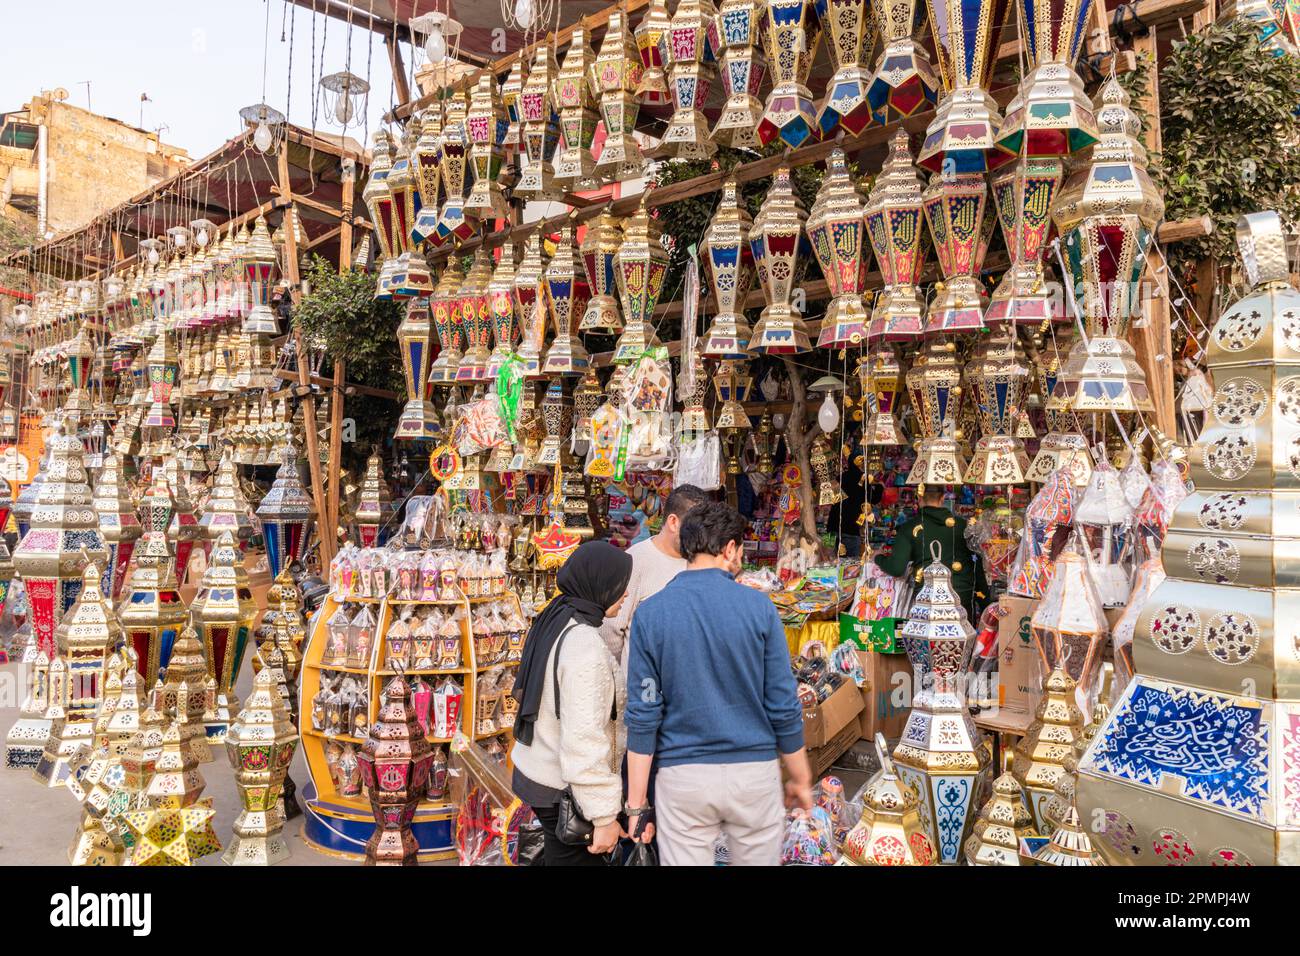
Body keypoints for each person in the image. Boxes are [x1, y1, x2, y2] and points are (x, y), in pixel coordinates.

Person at [623, 501, 812, 866]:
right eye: (740, 548)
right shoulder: (759, 608)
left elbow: (644, 713)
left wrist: (636, 806)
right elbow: (782, 703)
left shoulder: (651, 614)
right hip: (753, 775)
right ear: (729, 549)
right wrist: (800, 777)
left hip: (683, 778)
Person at [511, 540, 633, 865]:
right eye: (620, 587)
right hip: (561, 787)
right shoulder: (585, 647)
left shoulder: (561, 616)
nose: (625, 596)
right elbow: (584, 737)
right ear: (599, 585)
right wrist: (604, 816)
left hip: (538, 771)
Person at [599, 482, 711, 664]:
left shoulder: (703, 562)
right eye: (696, 527)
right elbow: (611, 631)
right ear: (673, 522)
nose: (702, 536)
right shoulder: (635, 561)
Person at [873, 485, 988, 621]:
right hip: (961, 600)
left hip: (926, 602)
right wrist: (987, 605)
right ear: (943, 498)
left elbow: (896, 568)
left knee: (928, 642)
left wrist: (878, 557)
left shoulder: (908, 528)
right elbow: (977, 568)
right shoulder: (964, 526)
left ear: (919, 498)